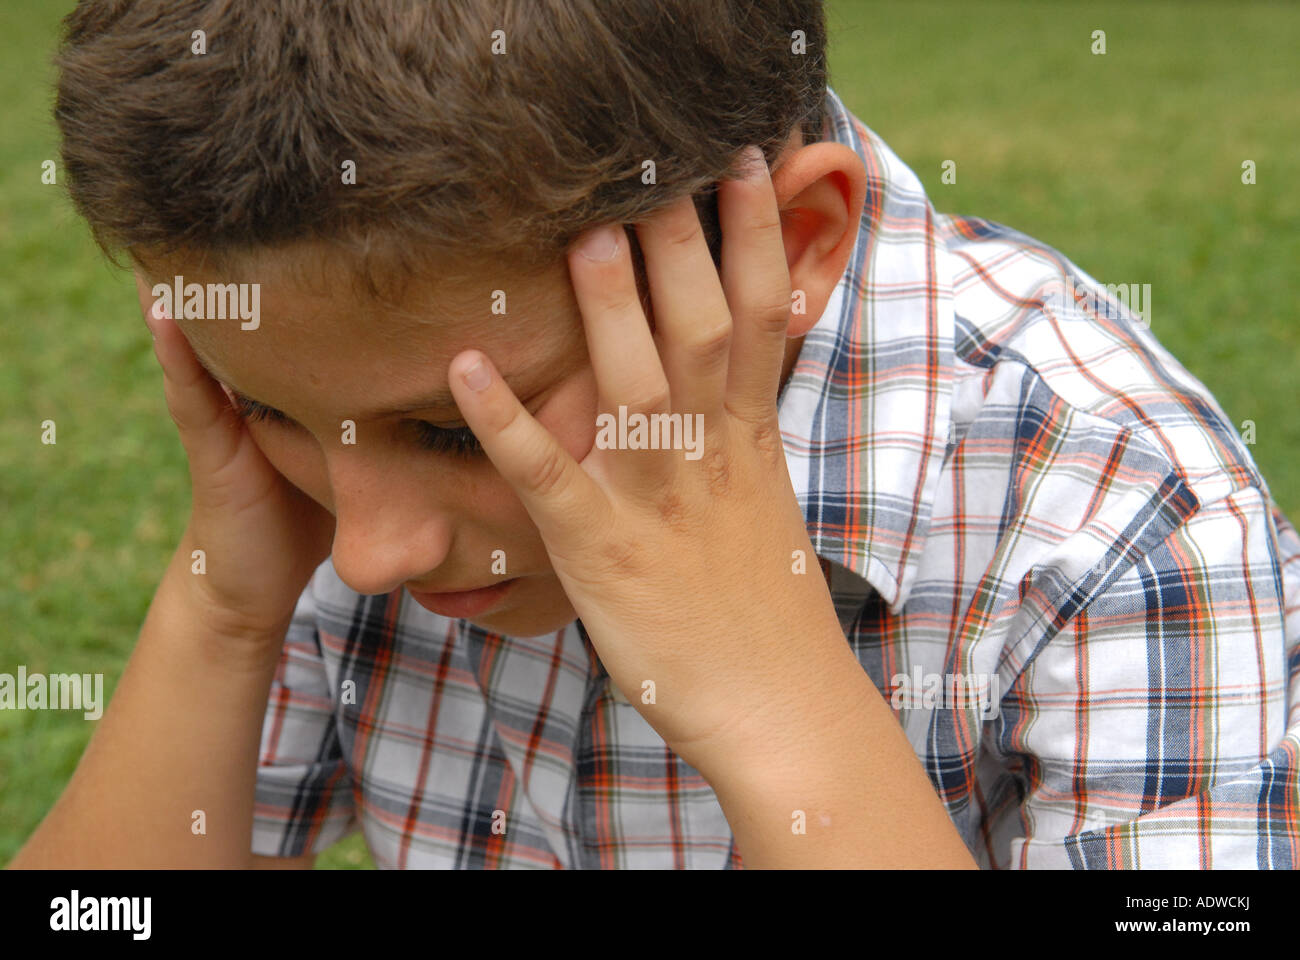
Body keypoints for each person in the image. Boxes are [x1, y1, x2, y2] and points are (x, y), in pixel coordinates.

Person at [12, 0, 1297, 869]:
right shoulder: (335, 489)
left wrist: (766, 683)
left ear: (788, 251)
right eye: (268, 408)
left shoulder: (1133, 522)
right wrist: (223, 614)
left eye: (463, 433)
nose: (367, 550)